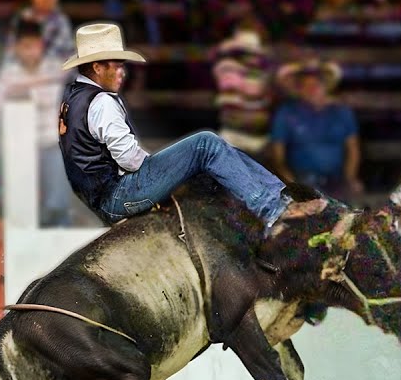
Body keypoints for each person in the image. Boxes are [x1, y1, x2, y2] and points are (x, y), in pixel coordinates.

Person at [57, 22, 331, 236]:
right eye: (116, 67)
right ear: (96, 66)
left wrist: (165, 169)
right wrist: (160, 174)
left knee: (215, 150)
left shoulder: (73, 98)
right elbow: (129, 159)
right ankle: (274, 209)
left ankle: (278, 198)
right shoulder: (102, 102)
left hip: (99, 198)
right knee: (206, 143)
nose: (122, 73)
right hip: (117, 196)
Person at [0, 18, 73, 227]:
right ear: (16, 49)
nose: (30, 51)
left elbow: (43, 99)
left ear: (41, 46)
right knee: (21, 206)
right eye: (24, 47)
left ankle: (61, 244)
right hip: (22, 148)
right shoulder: (9, 73)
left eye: (34, 46)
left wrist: (19, 89)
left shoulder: (53, 68)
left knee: (57, 204)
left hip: (52, 143)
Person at [269, 58, 363, 200]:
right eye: (305, 85)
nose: (312, 89)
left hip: (336, 181)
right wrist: (293, 187)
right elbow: (277, 157)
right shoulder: (286, 113)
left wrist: (350, 179)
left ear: (325, 86)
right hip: (302, 181)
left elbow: (353, 149)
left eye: (316, 84)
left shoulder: (342, 112)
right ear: (298, 89)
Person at [211, 24, 275, 163]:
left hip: (260, 140)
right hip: (233, 137)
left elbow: (261, 96)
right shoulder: (227, 69)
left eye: (254, 54)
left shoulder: (261, 73)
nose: (252, 58)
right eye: (245, 53)